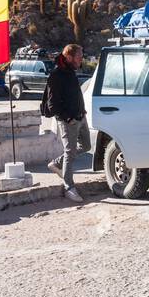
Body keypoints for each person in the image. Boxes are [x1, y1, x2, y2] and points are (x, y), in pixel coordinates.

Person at [42, 43, 88, 202]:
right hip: (68, 120)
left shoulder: (71, 72)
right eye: (78, 56)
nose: (81, 59)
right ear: (69, 56)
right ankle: (69, 187)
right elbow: (52, 105)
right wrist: (68, 118)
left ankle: (55, 164)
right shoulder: (56, 75)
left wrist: (82, 111)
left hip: (81, 117)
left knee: (87, 146)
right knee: (70, 152)